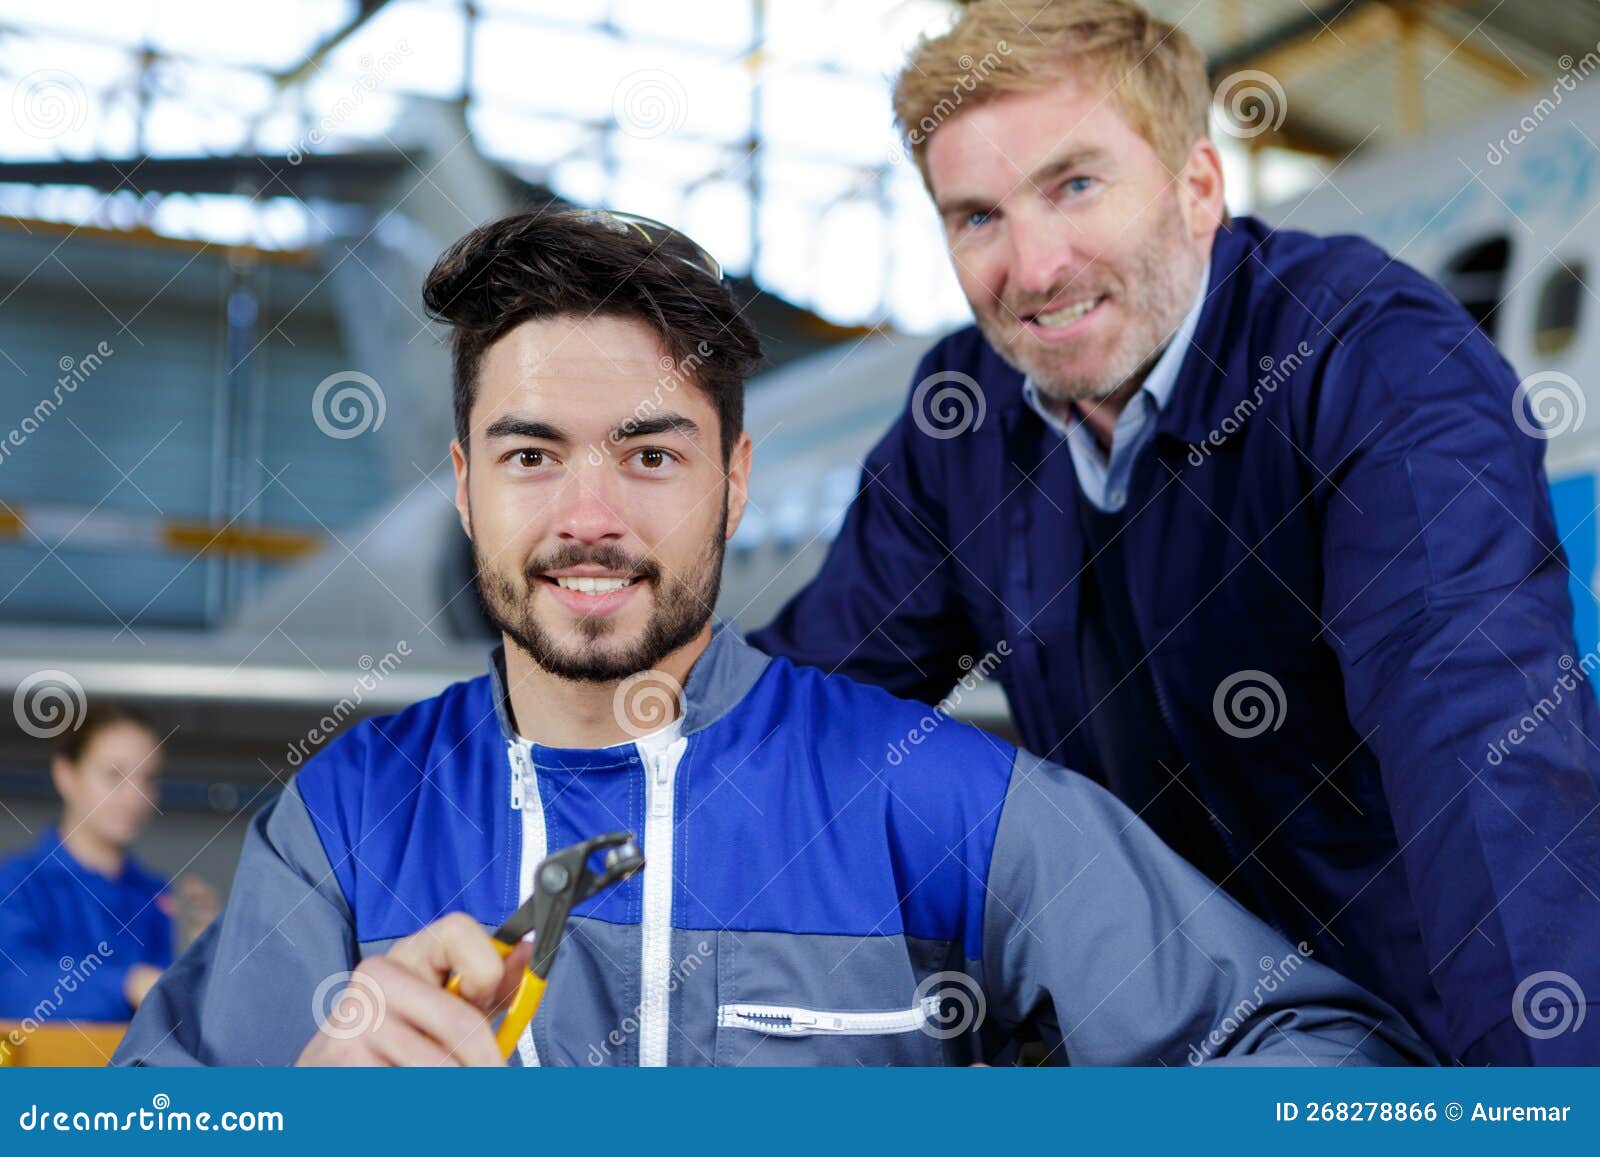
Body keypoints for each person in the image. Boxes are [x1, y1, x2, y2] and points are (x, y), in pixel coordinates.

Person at [109, 208, 1430, 1068]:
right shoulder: (337, 827)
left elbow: (1315, 1054)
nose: (589, 515)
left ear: (734, 482)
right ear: (464, 485)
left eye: (649, 454)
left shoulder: (936, 800)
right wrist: (297, 1119)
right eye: (531, 455)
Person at [748, 0, 1600, 1065]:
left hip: (1416, 1042)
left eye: (1074, 185)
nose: (1034, 265)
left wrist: (1538, 1105)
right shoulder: (960, 421)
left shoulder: (1371, 364)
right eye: (976, 216)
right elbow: (800, 721)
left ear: (1199, 187)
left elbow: (1486, 769)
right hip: (1168, 1042)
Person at [0, 702, 217, 1033]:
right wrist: (128, 984)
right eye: (114, 776)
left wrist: (209, 956)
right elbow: (15, 988)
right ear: (65, 774)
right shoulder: (17, 886)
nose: (135, 797)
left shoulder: (158, 896)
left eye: (147, 778)